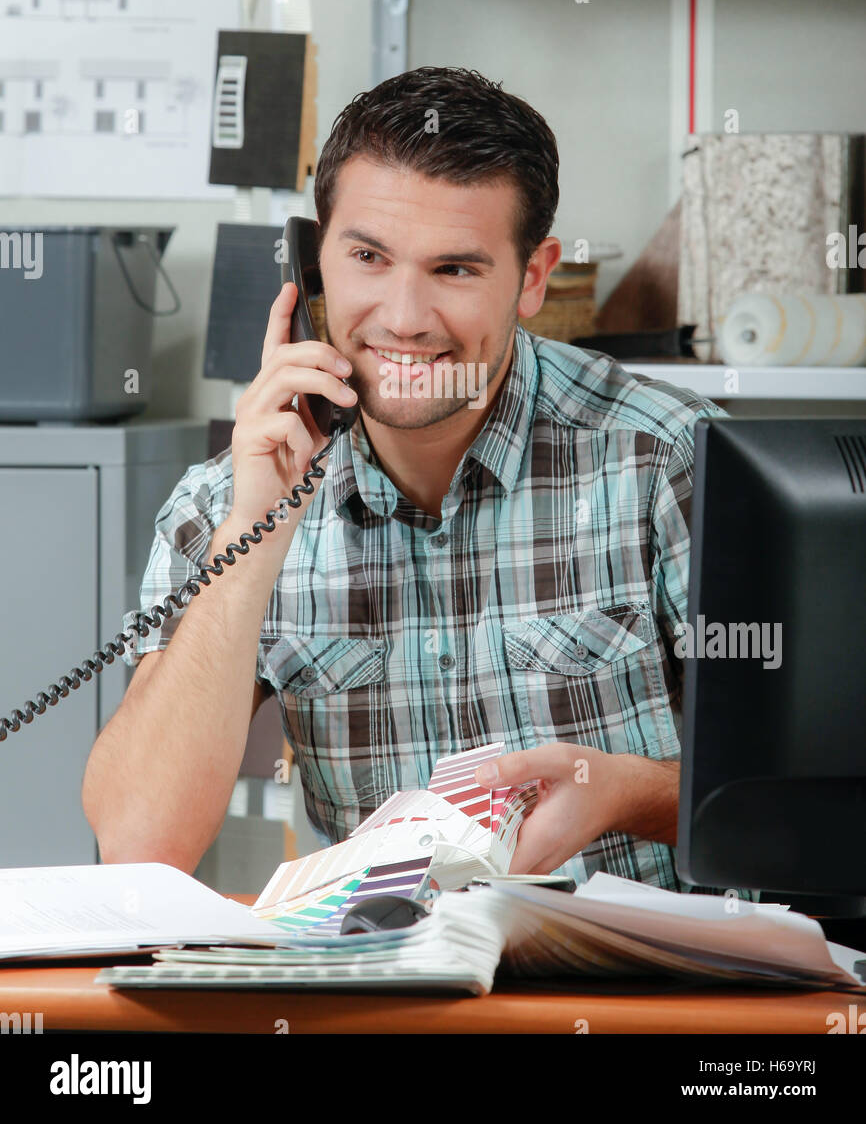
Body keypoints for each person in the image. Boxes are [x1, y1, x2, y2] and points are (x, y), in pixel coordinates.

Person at [83, 65, 726, 893]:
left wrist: (630, 795)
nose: (404, 316)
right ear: (312, 267)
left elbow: (818, 802)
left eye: (455, 270)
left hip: (648, 1000)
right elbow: (137, 844)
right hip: (387, 993)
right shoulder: (224, 502)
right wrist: (257, 528)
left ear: (532, 277)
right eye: (368, 257)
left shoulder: (667, 460)